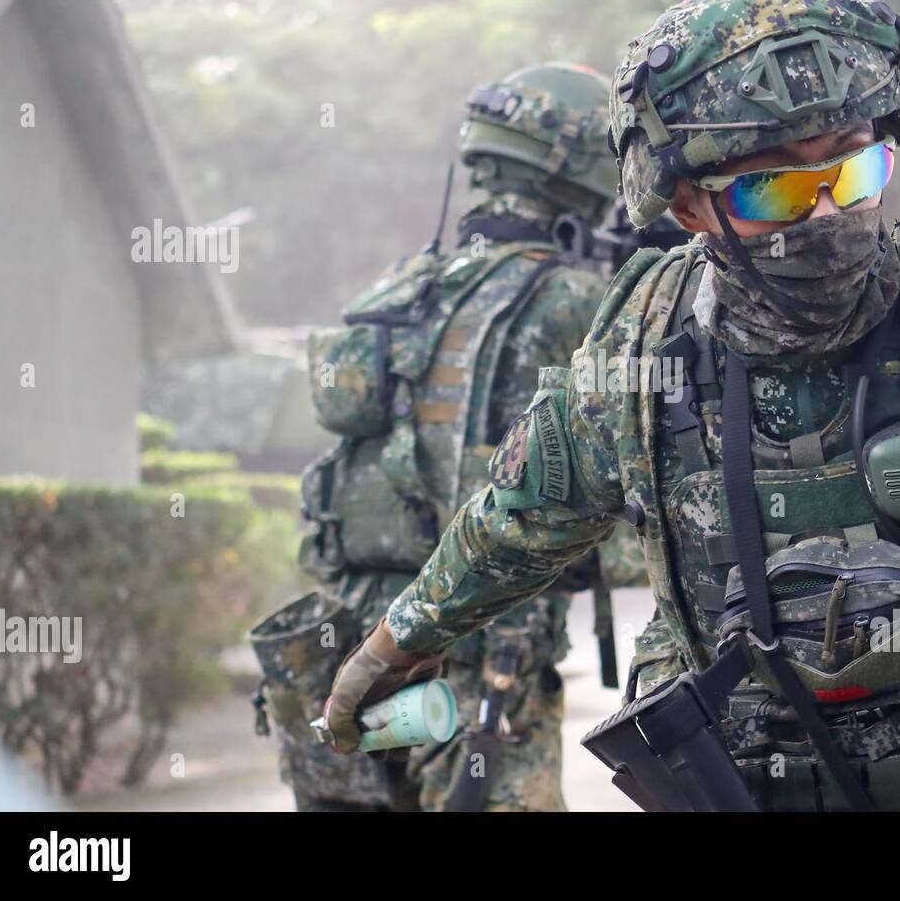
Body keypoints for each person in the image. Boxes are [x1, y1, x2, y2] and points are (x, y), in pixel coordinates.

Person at [321, 0, 900, 812]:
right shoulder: (640, 343)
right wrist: (395, 648)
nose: (827, 216)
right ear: (690, 208)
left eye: (852, 174)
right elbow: (519, 521)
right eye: (778, 186)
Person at [252, 61, 639, 812]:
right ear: (584, 168)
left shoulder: (402, 288)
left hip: (346, 632)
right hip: (475, 643)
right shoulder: (576, 299)